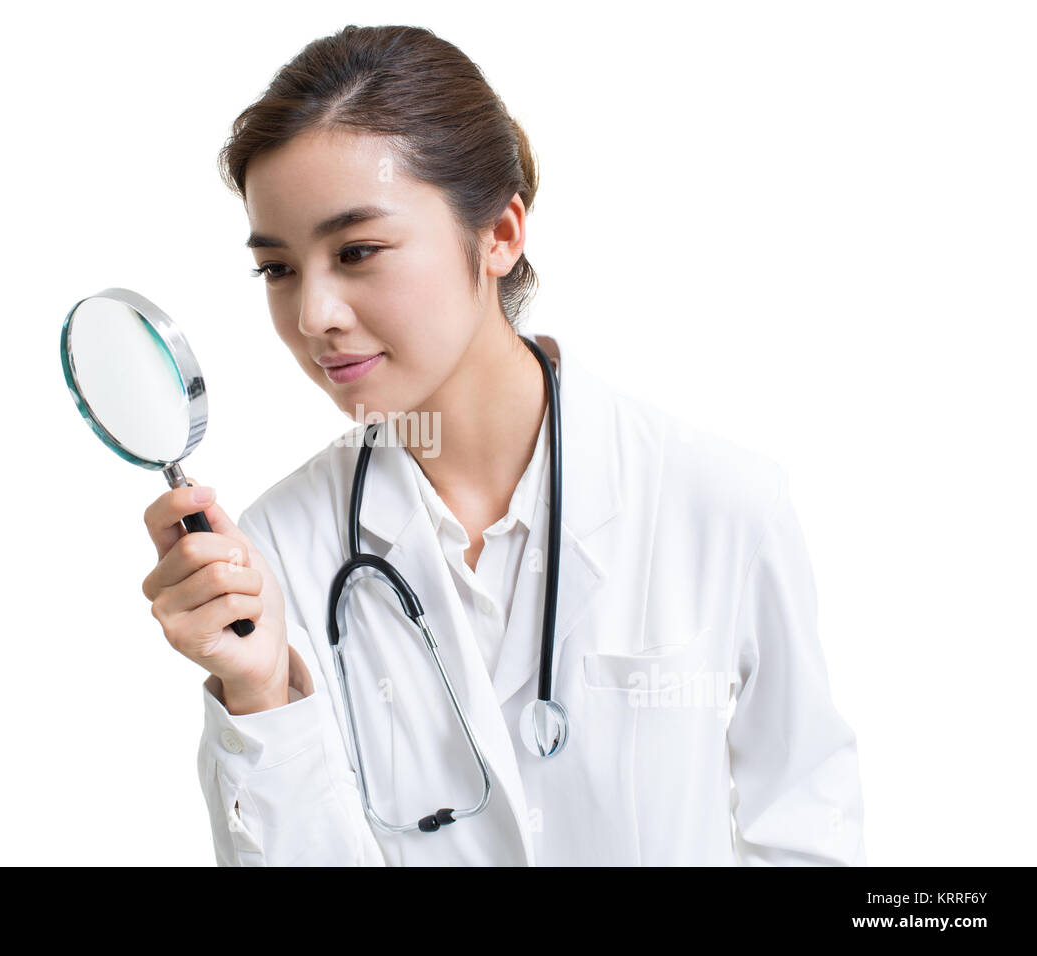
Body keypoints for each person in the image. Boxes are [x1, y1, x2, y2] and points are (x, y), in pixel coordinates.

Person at [141, 24, 866, 866]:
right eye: (280, 270)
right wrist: (261, 692)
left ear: (500, 234)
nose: (314, 317)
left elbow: (809, 831)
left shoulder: (718, 501)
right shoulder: (274, 554)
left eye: (358, 251)